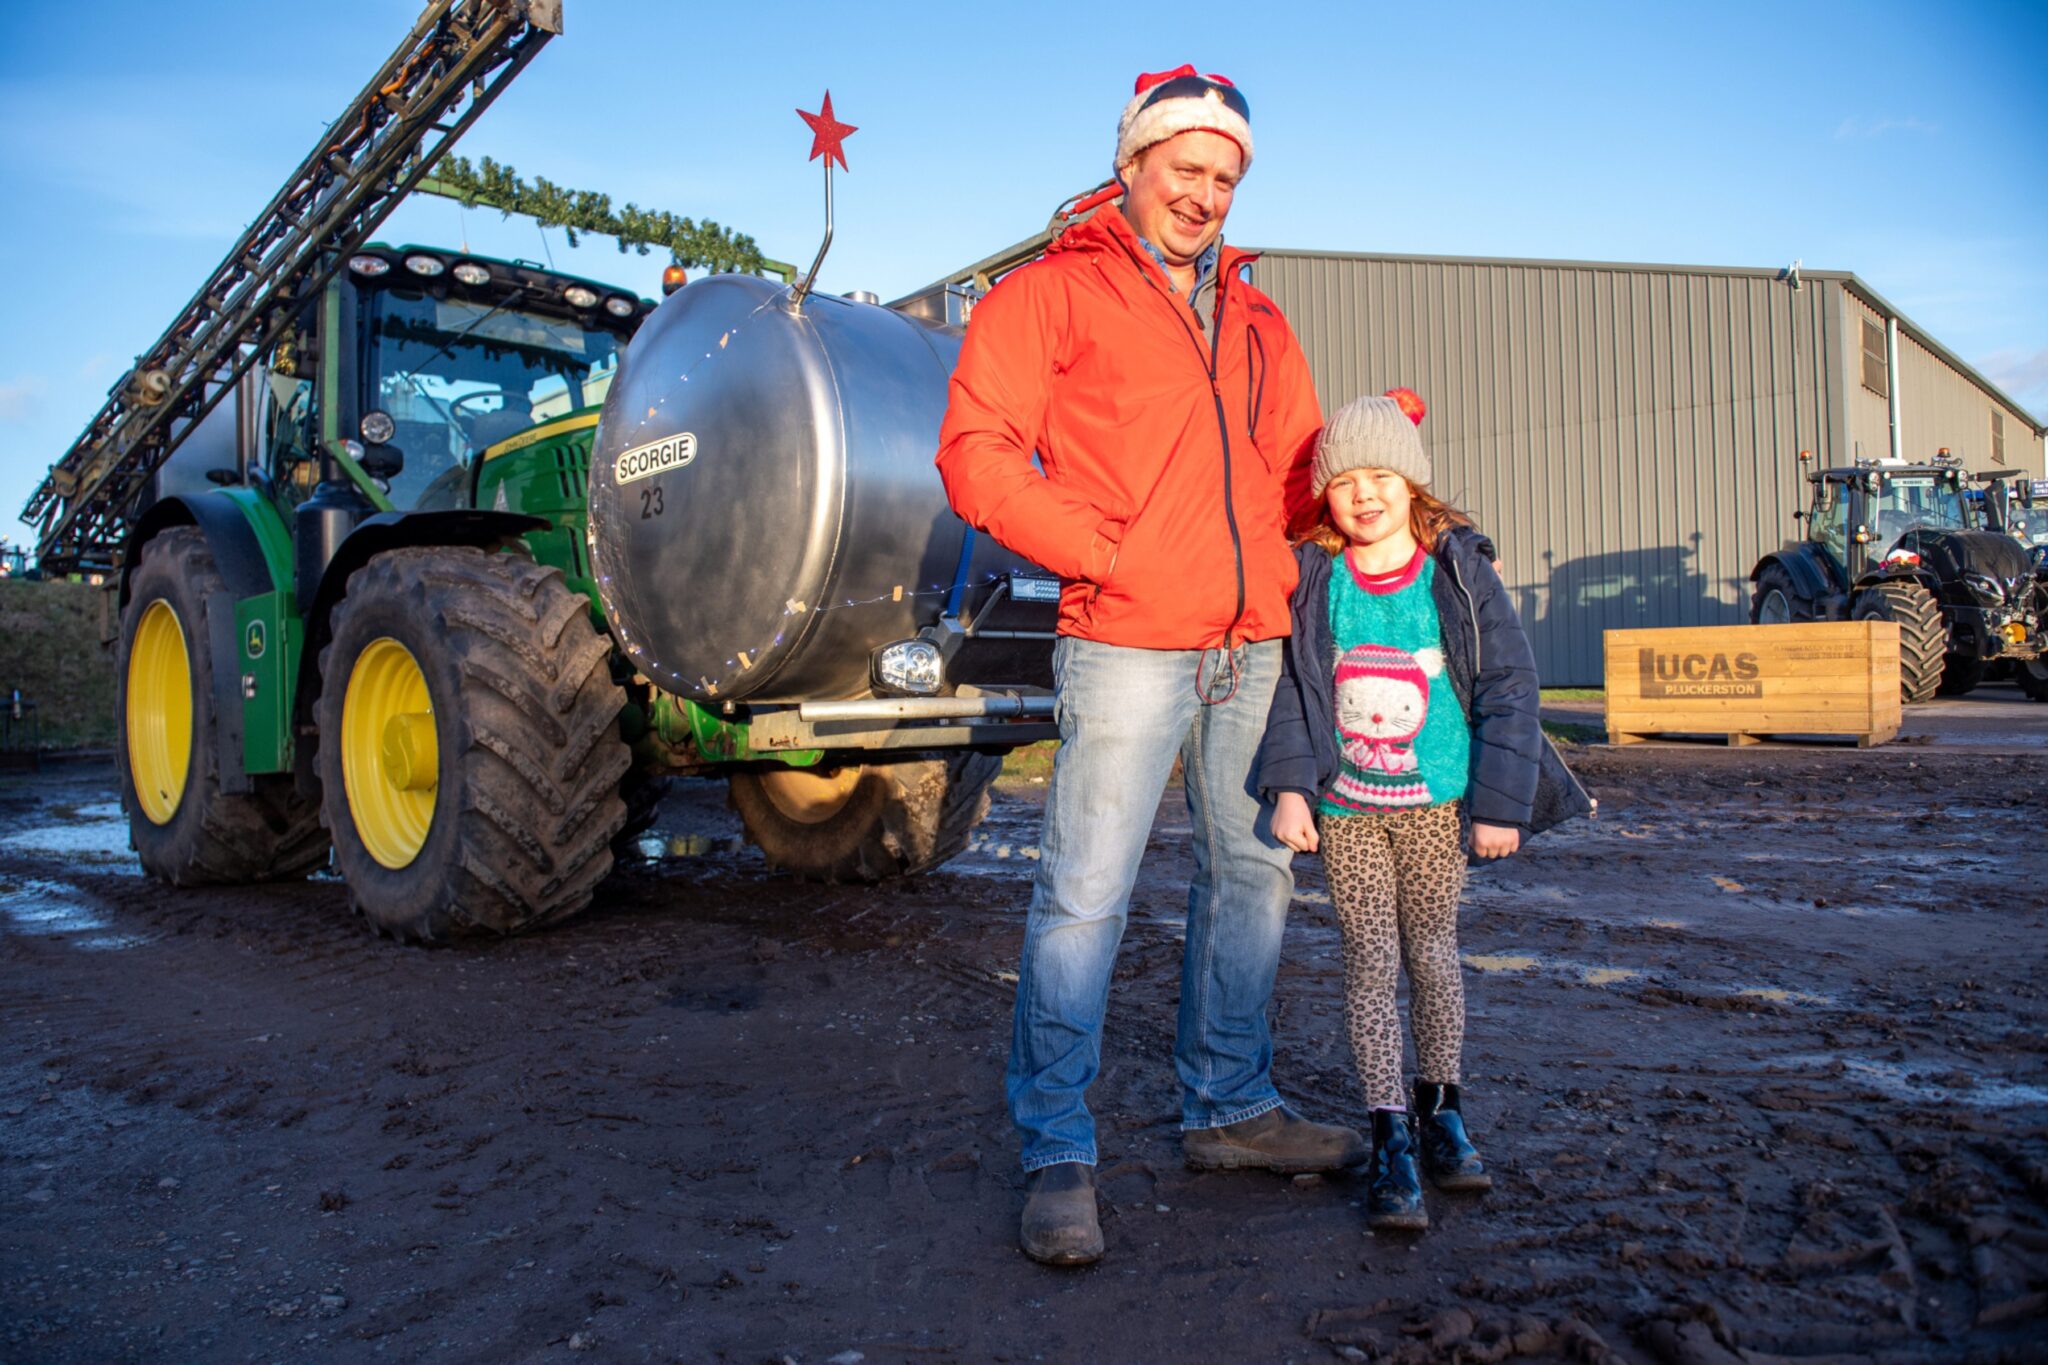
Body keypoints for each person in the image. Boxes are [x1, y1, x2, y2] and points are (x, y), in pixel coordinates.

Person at [936, 65, 1357, 1266]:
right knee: (1084, 893)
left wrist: (1364, 484)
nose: (1205, 194)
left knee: (1254, 879)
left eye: (1224, 177)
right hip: (1123, 635)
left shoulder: (1263, 317)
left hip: (1252, 642)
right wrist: (1100, 553)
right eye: (1186, 169)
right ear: (1131, 163)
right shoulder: (1047, 295)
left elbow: (1286, 478)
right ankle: (1056, 1145)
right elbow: (977, 451)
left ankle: (1230, 1110)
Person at [1257, 389, 1593, 1231]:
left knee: (1434, 954)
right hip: (1348, 809)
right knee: (1370, 961)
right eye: (1345, 481)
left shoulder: (1458, 571)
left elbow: (1512, 688)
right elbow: (1296, 691)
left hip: (1439, 806)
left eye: (1381, 475)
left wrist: (1499, 805)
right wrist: (1293, 785)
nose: (1364, 494)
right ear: (1325, 494)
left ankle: (1442, 1108)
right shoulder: (1314, 579)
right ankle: (1390, 1133)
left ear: (1413, 483)